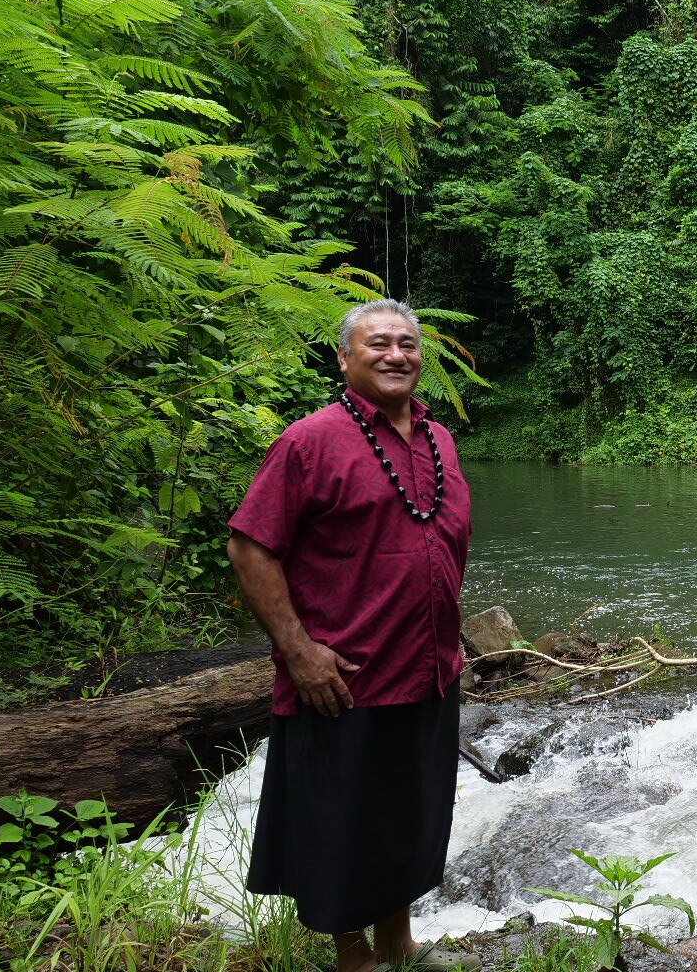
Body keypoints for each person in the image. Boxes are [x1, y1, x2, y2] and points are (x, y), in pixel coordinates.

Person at [227, 299, 480, 972]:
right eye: (378, 344)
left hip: (428, 667)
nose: (396, 355)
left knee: (409, 811)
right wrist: (299, 651)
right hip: (344, 673)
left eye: (408, 344)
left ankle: (399, 943)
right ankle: (352, 956)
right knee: (343, 823)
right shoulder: (309, 441)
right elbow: (251, 547)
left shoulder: (439, 439)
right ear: (345, 358)